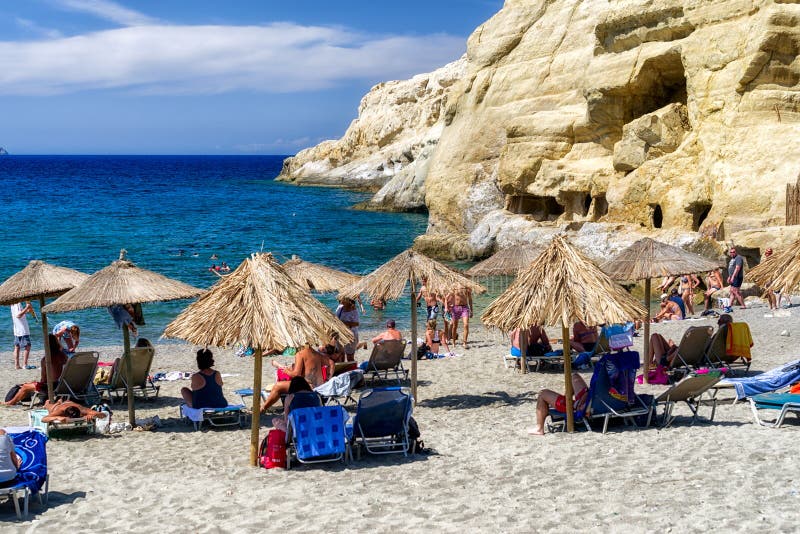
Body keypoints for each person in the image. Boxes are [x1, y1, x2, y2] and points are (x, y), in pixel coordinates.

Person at [260, 345, 333, 412]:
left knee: (278, 386)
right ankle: (264, 407)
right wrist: (328, 378)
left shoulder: (300, 354)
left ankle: (263, 408)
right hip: (318, 386)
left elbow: (296, 374)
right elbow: (331, 363)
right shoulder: (317, 354)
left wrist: (286, 371)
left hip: (306, 387)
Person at [4, 334, 68, 406]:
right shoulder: (64, 356)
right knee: (31, 384)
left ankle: (10, 403)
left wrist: (35, 383)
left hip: (52, 386)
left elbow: (43, 379)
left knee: (25, 386)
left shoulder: (46, 359)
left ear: (47, 345)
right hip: (64, 385)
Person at [649, 314, 732, 368]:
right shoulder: (723, 340)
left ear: (722, 323)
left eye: (719, 321)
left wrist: (672, 352)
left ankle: (650, 363)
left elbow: (668, 359)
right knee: (658, 336)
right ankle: (652, 362)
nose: (717, 322)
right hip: (684, 357)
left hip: (666, 361)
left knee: (654, 336)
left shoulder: (711, 341)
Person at [10, 301, 34, 369]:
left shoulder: (12, 304)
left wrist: (27, 310)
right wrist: (27, 307)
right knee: (28, 346)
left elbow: (18, 314)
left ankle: (17, 365)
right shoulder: (17, 303)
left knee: (17, 347)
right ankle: (25, 365)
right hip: (22, 329)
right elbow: (18, 315)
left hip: (17, 329)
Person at [335, 297, 360, 362]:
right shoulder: (340, 308)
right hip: (340, 334)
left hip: (350, 335)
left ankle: (352, 370)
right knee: (340, 355)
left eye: (342, 299)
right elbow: (336, 318)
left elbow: (356, 323)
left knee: (350, 357)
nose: (340, 300)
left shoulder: (353, 310)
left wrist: (343, 323)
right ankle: (344, 369)